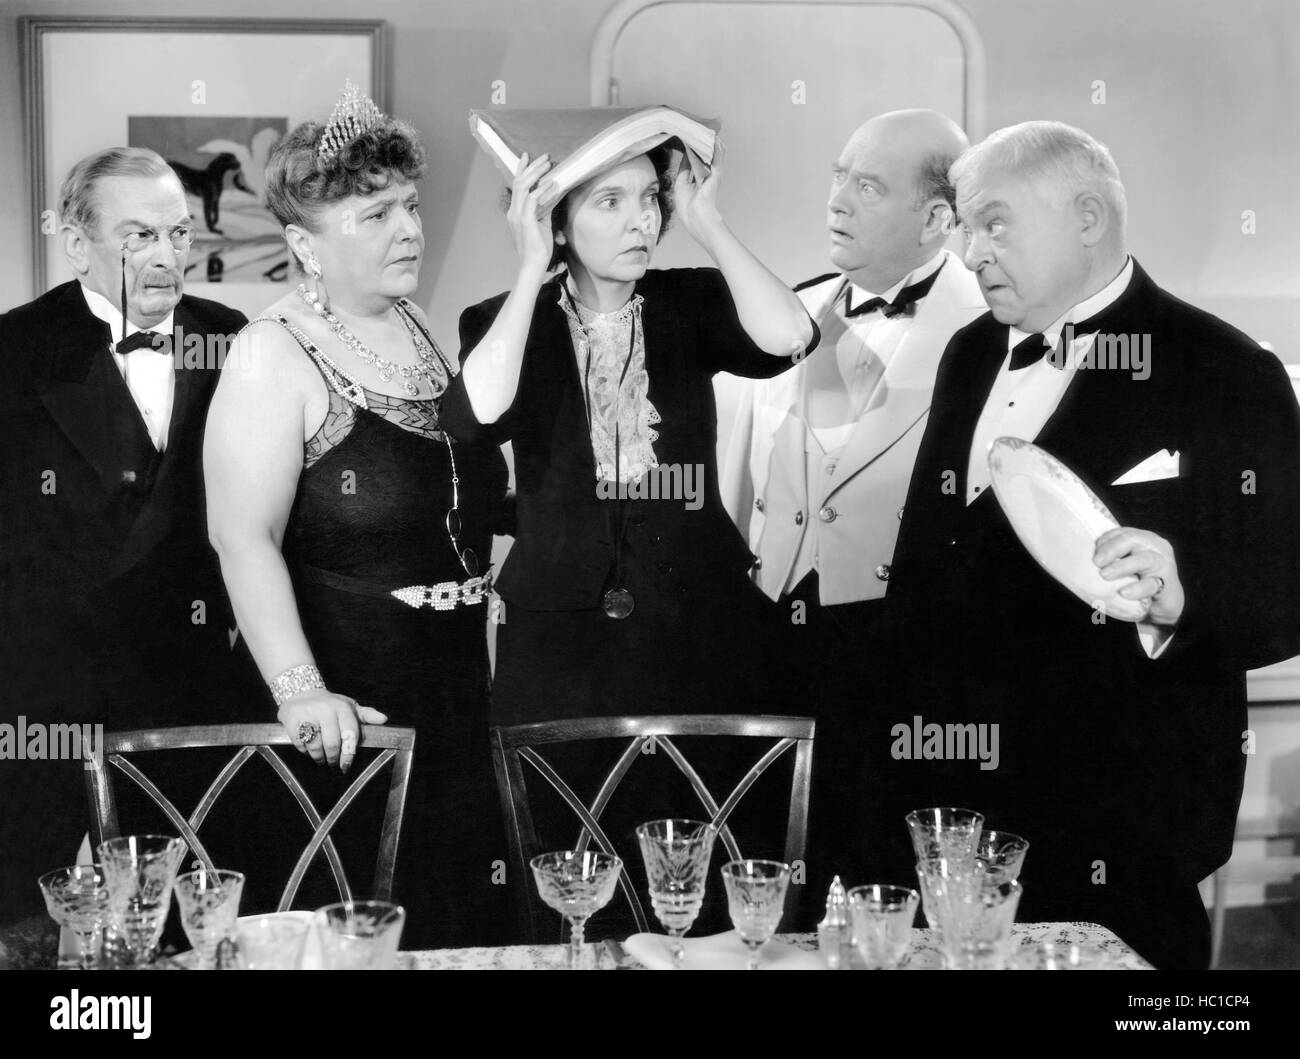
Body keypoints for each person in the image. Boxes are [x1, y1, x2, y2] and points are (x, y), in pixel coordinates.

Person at [887, 120, 1300, 969]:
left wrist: (1184, 594)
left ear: (1086, 216)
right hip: (949, 800)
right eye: (964, 227)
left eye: (993, 223)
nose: (970, 252)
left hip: (1123, 814)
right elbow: (932, 554)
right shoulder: (969, 354)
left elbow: (1286, 591)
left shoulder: (1227, 370)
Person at [203, 88, 512, 947]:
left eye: (409, 206)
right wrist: (302, 692)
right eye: (375, 214)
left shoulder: (418, 328)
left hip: (453, 701)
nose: (410, 228)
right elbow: (242, 537)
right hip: (345, 728)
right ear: (305, 244)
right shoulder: (272, 353)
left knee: (458, 932)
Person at [442, 132, 815, 726]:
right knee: (566, 808)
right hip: (557, 631)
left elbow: (790, 340)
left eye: (650, 198)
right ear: (557, 223)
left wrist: (708, 223)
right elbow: (477, 419)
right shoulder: (501, 319)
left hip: (700, 614)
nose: (641, 220)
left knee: (698, 809)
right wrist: (532, 264)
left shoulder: (691, 299)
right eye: (610, 202)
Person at [722, 110, 985, 894]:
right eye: (838, 175)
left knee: (883, 877)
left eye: (866, 186)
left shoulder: (988, 333)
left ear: (938, 218)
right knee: (770, 875)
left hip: (904, 658)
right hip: (769, 643)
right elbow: (735, 480)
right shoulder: (782, 313)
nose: (835, 200)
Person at [0, 147, 255, 940]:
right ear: (77, 244)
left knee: (196, 922)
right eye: (138, 235)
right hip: (42, 700)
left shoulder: (234, 337)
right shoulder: (12, 350)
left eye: (179, 234)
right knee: (24, 927)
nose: (166, 257)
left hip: (193, 691)